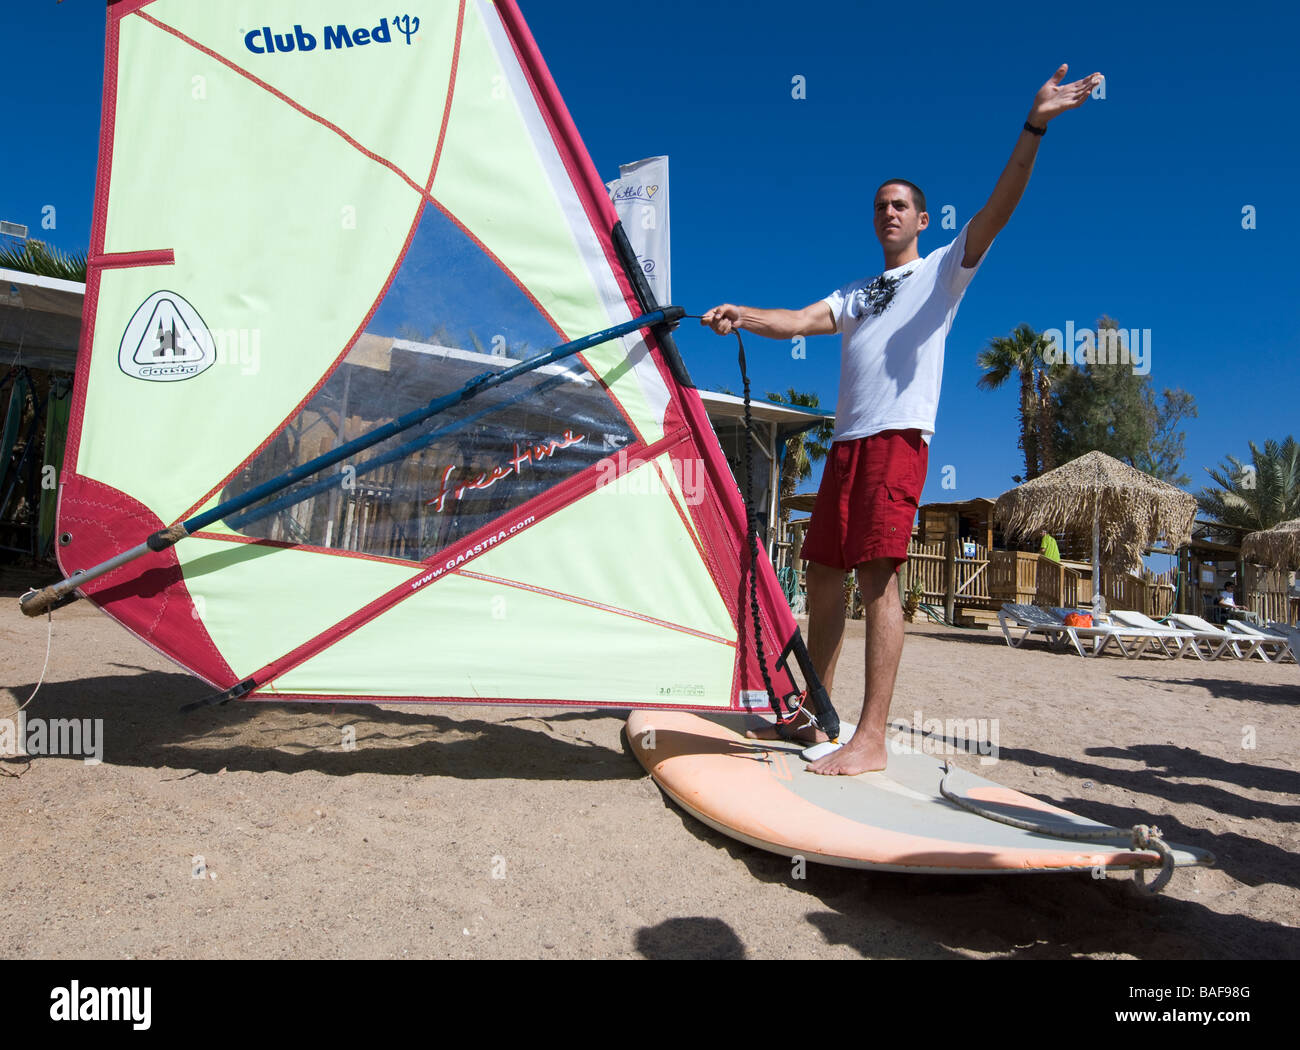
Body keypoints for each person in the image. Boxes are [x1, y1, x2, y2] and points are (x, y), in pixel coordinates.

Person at [702, 65, 1102, 775]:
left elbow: (998, 210)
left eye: (901, 206)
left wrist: (1034, 123)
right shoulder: (856, 293)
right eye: (881, 205)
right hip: (848, 447)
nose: (888, 212)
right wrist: (742, 313)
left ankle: (872, 736)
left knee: (878, 577)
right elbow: (796, 318)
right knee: (823, 573)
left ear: (922, 219)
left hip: (897, 441)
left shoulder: (942, 270)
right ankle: (815, 712)